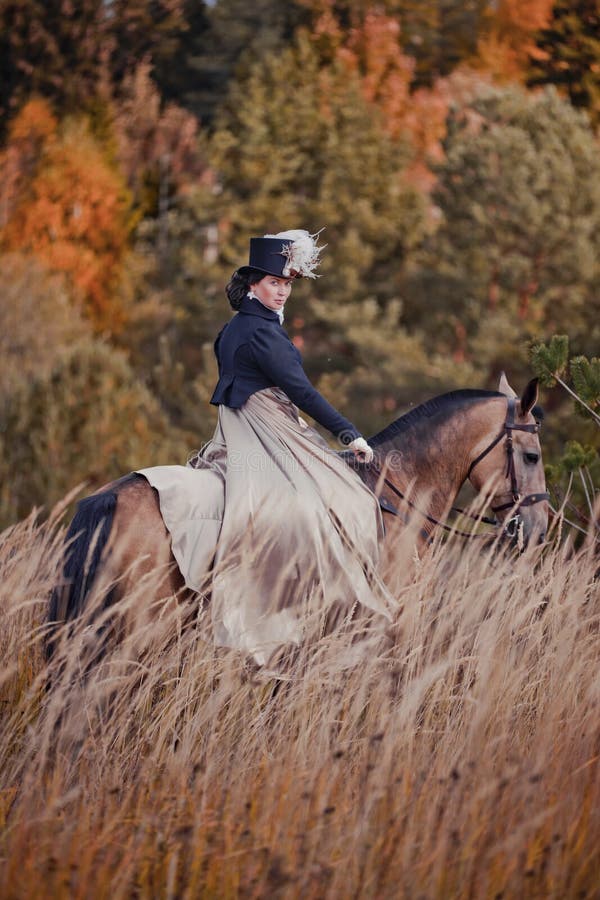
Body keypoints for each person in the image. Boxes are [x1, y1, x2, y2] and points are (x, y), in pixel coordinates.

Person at [138, 230, 393, 665]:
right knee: (338, 496)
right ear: (254, 282)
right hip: (263, 428)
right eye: (274, 283)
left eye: (288, 284)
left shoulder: (234, 327)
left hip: (237, 425)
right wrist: (350, 434)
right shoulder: (263, 334)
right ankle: (303, 612)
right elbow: (303, 394)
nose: (282, 292)